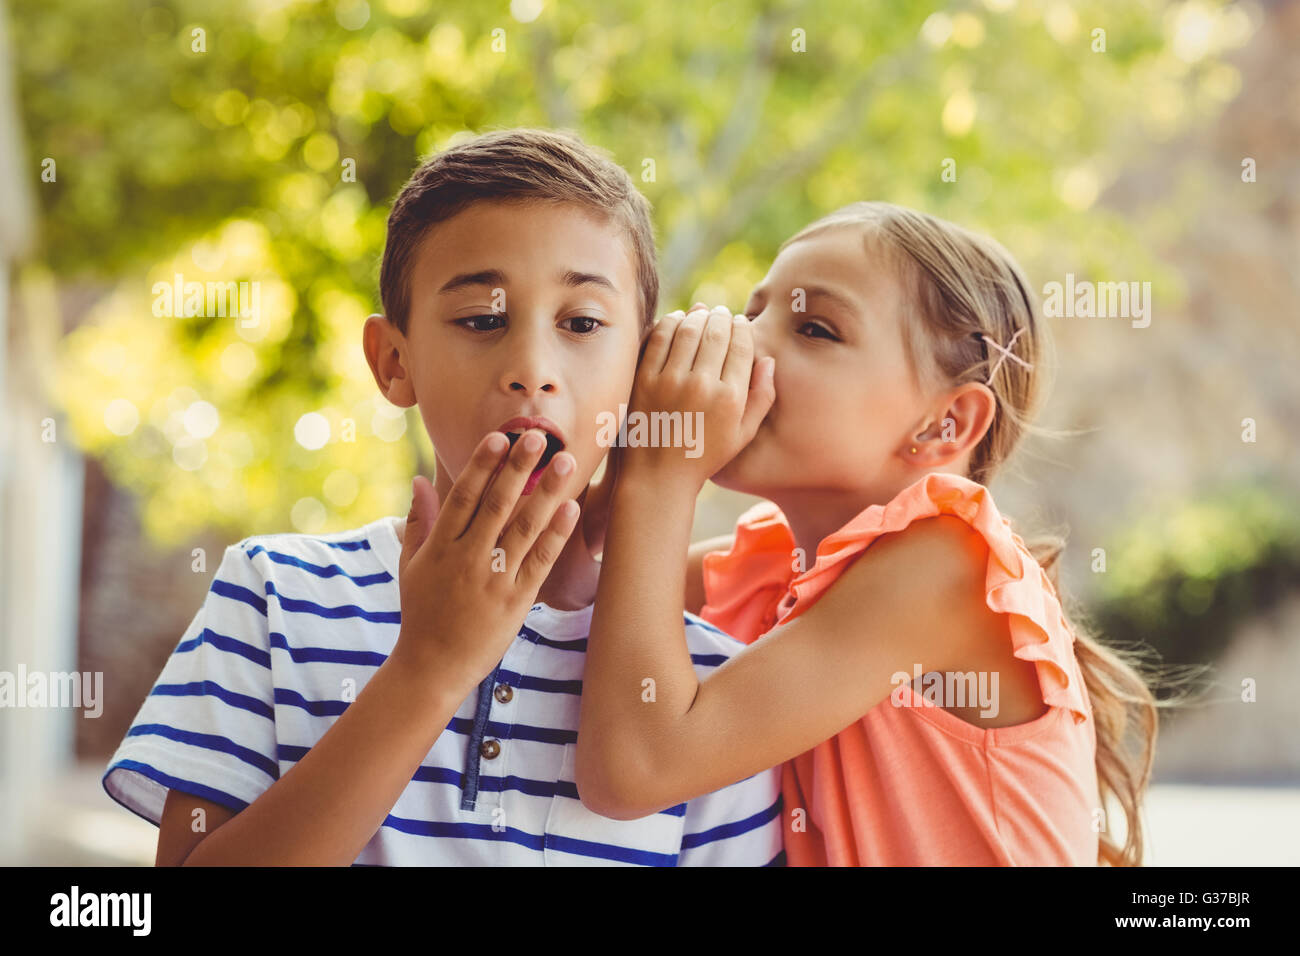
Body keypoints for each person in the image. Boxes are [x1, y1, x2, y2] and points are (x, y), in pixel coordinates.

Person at [101, 128, 782, 866]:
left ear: (643, 371)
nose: (532, 369)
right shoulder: (274, 596)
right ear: (394, 362)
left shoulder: (706, 701)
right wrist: (430, 665)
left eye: (582, 323)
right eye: (483, 320)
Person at [577, 201, 1158, 866]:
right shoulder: (769, 562)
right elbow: (574, 607)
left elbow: (633, 769)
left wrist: (659, 477)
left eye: (815, 329)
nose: (747, 344)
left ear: (945, 426)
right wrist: (612, 478)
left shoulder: (949, 564)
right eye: (753, 312)